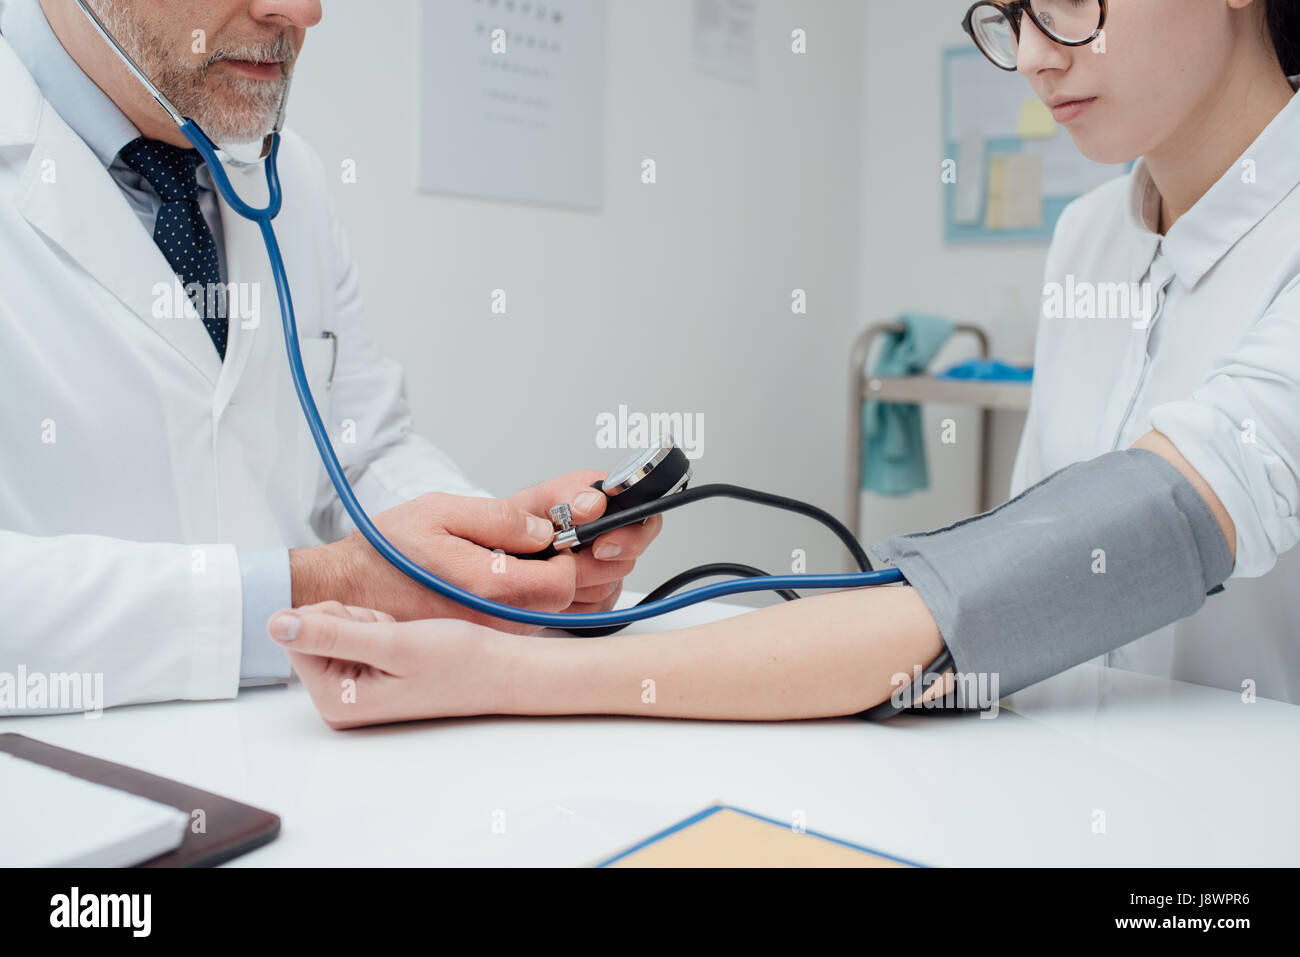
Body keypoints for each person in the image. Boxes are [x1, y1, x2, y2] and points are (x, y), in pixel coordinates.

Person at [264, 0, 1300, 727]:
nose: (1033, 55)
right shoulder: (1090, 238)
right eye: (1008, 14)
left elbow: (1079, 557)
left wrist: (505, 672)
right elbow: (1018, 567)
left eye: (1070, 2)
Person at [0, 0, 660, 714]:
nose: (303, 11)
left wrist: (497, 552)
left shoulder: (288, 181)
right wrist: (322, 584)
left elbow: (361, 450)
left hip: (301, 754)